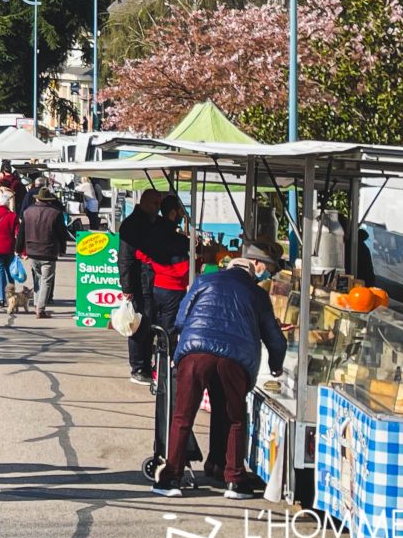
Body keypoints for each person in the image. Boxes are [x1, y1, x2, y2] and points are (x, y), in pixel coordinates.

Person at [152, 246, 286, 499]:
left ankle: (170, 479)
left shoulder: (204, 280)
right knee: (233, 417)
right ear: (254, 267)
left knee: (182, 416)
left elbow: (181, 319)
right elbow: (274, 338)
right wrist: (276, 365)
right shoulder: (257, 294)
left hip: (194, 352)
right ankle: (234, 480)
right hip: (234, 358)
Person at [118, 189, 165, 385]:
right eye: (154, 203)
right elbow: (125, 259)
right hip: (140, 283)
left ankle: (146, 365)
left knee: (150, 326)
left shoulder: (154, 222)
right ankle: (138, 367)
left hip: (154, 282)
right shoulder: (132, 224)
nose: (157, 207)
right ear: (144, 202)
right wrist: (127, 287)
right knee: (139, 325)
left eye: (159, 204)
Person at [139, 194, 192, 339]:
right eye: (181, 212)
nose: (182, 216)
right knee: (169, 331)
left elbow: (141, 254)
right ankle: (165, 359)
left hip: (156, 287)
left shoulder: (153, 231)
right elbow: (183, 269)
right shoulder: (176, 239)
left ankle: (159, 356)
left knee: (158, 327)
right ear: (173, 213)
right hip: (173, 290)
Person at [17, 187, 67, 318]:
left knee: (38, 278)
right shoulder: (55, 213)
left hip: (32, 250)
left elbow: (22, 232)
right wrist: (62, 249)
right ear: (49, 200)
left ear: (37, 198)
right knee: (46, 281)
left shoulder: (28, 212)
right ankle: (40, 308)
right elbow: (62, 234)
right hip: (49, 251)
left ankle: (37, 304)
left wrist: (19, 249)